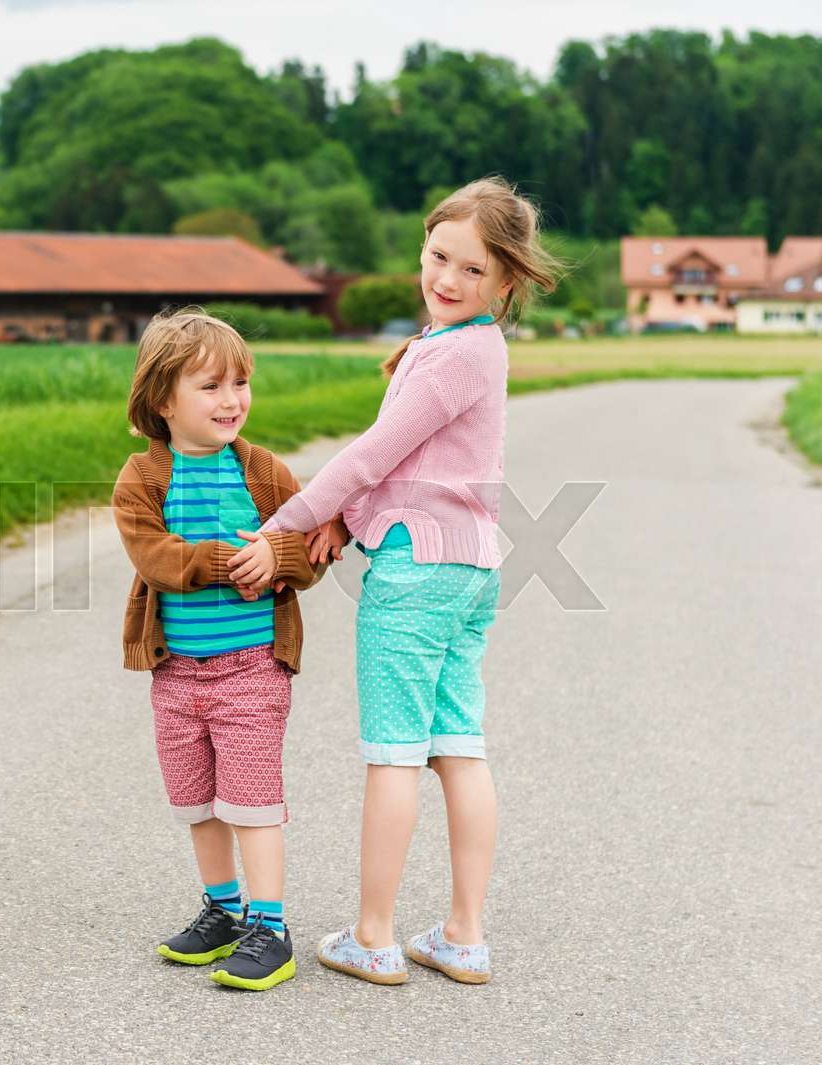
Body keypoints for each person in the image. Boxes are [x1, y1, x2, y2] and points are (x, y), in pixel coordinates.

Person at [228, 177, 562, 985]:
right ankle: (462, 934)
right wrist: (346, 521)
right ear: (423, 243)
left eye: (473, 271)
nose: (447, 278)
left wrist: (289, 524)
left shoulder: (452, 356)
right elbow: (418, 463)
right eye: (439, 255)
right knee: (456, 746)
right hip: (470, 569)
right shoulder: (472, 347)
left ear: (507, 282)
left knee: (393, 753)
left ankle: (373, 935)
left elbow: (373, 454)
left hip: (418, 573)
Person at [112, 307, 339, 991]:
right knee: (198, 801)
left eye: (240, 382)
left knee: (251, 800)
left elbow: (316, 543)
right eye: (211, 386)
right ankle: (224, 907)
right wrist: (221, 561)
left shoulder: (263, 471)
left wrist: (280, 558)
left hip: (252, 670)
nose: (232, 399)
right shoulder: (143, 478)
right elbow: (153, 556)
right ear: (162, 400)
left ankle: (271, 927)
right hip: (177, 672)